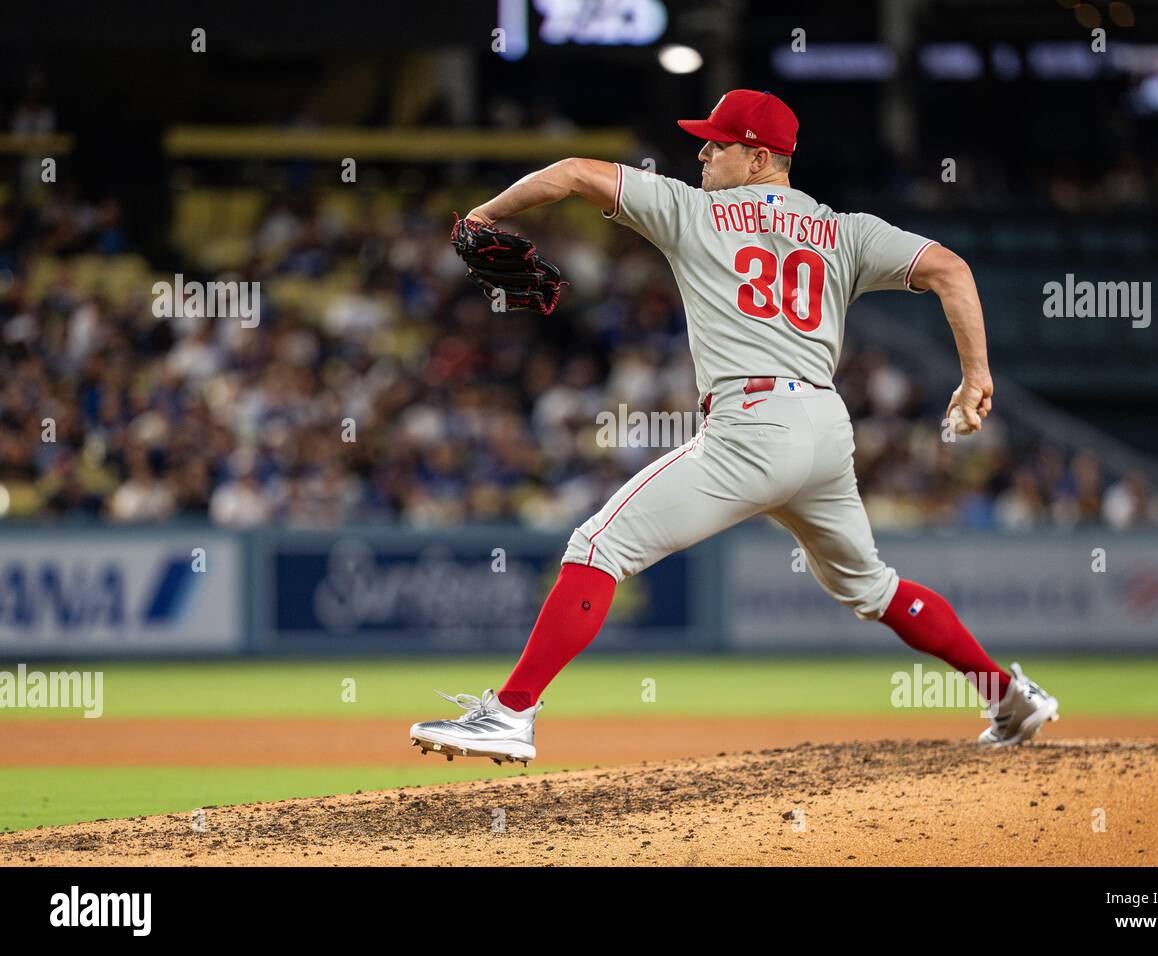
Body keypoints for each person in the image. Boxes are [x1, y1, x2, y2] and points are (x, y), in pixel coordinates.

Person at [411, 90, 1058, 764]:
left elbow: (573, 171)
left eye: (718, 143)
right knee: (873, 587)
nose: (702, 151)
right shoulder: (846, 230)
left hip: (753, 425)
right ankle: (1008, 696)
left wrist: (484, 214)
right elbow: (951, 268)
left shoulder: (694, 211)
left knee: (598, 545)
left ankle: (510, 714)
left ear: (759, 158)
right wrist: (976, 373)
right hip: (825, 428)